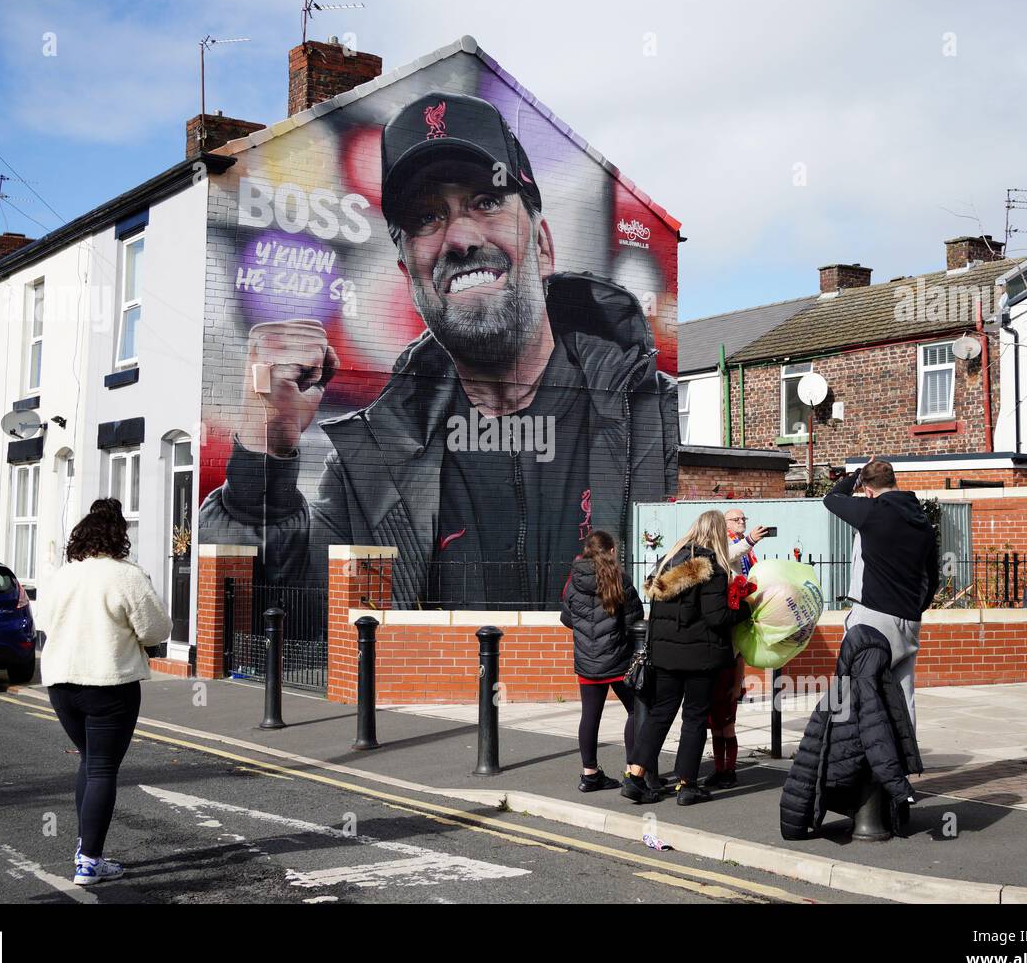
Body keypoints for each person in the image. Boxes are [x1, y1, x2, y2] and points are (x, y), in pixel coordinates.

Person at [199, 91, 678, 610]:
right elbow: (276, 617)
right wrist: (263, 455)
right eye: (427, 218)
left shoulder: (653, 418)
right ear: (409, 276)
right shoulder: (369, 468)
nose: (460, 238)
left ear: (542, 246)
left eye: (487, 201)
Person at [39, 498, 172, 885]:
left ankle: (85, 851)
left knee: (89, 761)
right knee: (101, 769)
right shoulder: (127, 575)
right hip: (109, 684)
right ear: (120, 536)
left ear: (80, 535)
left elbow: (43, 619)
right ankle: (90, 862)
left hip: (62, 684)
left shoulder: (64, 575)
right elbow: (156, 630)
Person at [623, 510, 753, 806]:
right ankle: (687, 784)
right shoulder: (711, 568)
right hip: (700, 657)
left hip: (666, 655)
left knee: (661, 714)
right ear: (718, 533)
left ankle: (634, 776)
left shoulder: (668, 563)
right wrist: (747, 608)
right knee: (694, 717)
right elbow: (717, 617)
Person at [824, 459, 938, 731]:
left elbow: (832, 498)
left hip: (873, 615)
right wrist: (915, 608)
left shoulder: (872, 511)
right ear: (894, 482)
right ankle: (903, 764)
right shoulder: (922, 519)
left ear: (868, 490)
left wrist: (855, 475)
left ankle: (863, 764)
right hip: (908, 618)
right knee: (903, 694)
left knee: (858, 692)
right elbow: (931, 577)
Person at [779, 624, 922, 842]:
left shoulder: (836, 693)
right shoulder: (873, 691)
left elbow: (804, 770)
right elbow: (880, 748)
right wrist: (902, 791)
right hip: (849, 778)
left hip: (837, 778)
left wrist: (792, 829)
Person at [560, 530, 644, 792]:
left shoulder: (574, 581)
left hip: (587, 660)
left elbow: (566, 618)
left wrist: (587, 631)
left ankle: (590, 774)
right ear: (609, 551)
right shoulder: (620, 580)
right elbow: (635, 620)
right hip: (618, 659)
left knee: (590, 715)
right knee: (636, 711)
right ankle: (633, 771)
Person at [703, 507, 769, 789]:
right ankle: (722, 769)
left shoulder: (742, 551)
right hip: (724, 633)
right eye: (736, 519)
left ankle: (727, 771)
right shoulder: (724, 548)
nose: (742, 522)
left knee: (725, 719)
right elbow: (727, 556)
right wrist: (749, 541)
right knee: (715, 719)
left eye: (744, 518)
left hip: (734, 635)